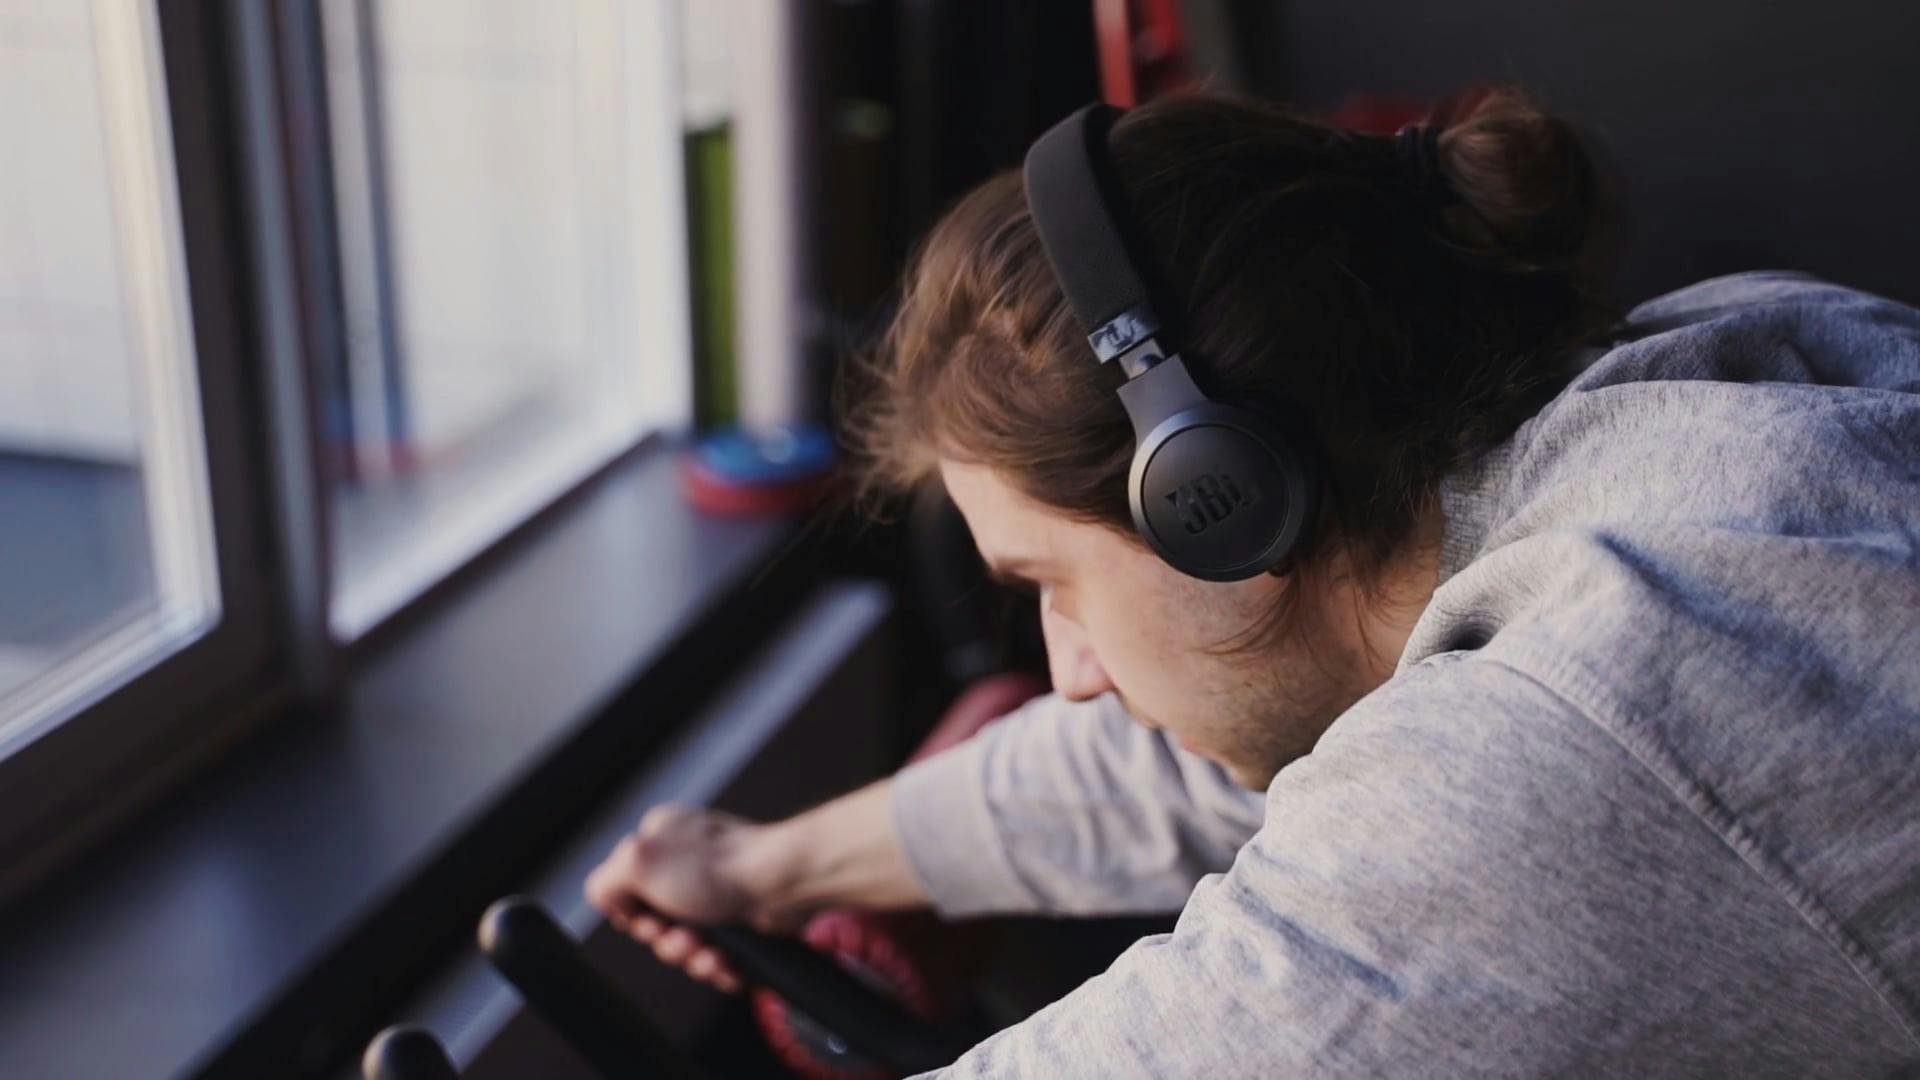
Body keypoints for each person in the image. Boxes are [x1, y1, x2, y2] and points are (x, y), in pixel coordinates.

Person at [587, 89, 1920, 1076]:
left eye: (1051, 583)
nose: (1069, 669)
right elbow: (1197, 747)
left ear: (1217, 503)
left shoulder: (1587, 736)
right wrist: (765, 865)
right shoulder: (1720, 368)